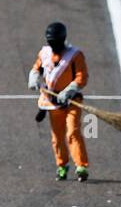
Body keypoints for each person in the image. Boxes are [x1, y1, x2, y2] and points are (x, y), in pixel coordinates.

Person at [29, 21, 89, 181]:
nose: (52, 45)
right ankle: (62, 165)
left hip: (71, 101)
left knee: (73, 132)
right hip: (52, 102)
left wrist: (69, 91)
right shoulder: (45, 53)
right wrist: (34, 77)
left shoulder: (75, 55)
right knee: (57, 136)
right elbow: (37, 68)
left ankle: (81, 165)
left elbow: (81, 77)